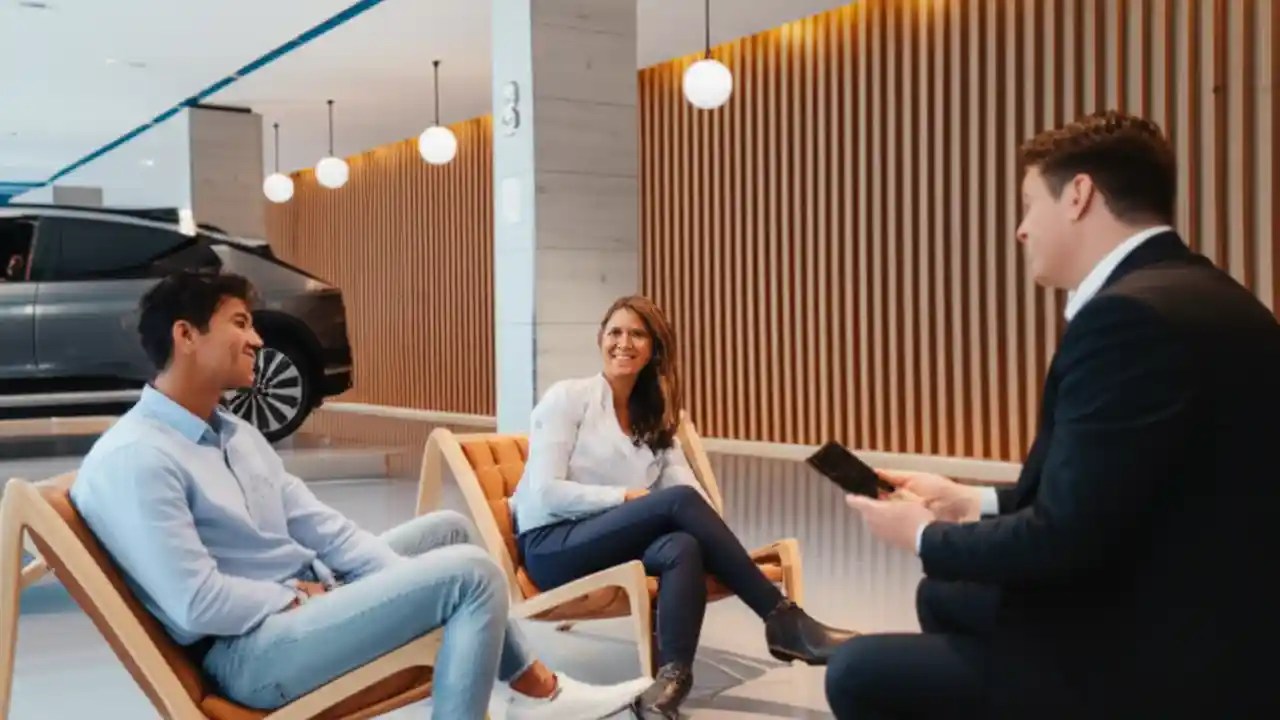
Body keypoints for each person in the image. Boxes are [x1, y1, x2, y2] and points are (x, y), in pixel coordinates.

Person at [831, 110, 1280, 718]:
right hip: (1215, 611)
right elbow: (1110, 490)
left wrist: (920, 534)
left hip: (1160, 653)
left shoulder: (1127, 321)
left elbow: (1065, 537)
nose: (1020, 230)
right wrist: (971, 503)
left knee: (858, 671)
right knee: (946, 595)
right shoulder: (1215, 296)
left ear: (1078, 194)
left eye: (1027, 203)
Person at [70, 270, 650, 720]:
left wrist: (402, 594)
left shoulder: (235, 433)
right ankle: (537, 691)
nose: (257, 338)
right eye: (241, 322)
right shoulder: (139, 458)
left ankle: (532, 691)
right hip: (252, 652)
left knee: (447, 534)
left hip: (301, 604)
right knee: (471, 574)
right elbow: (195, 604)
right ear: (186, 335)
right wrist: (293, 599)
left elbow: (321, 526)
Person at [510, 295, 857, 719]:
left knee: (682, 547)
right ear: (599, 338)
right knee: (673, 506)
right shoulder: (567, 398)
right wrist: (624, 498)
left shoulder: (654, 419)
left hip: (610, 540)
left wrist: (710, 536)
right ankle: (784, 621)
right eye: (615, 332)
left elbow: (689, 493)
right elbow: (545, 494)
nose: (624, 342)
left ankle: (670, 682)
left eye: (638, 334)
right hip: (552, 545)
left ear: (654, 348)